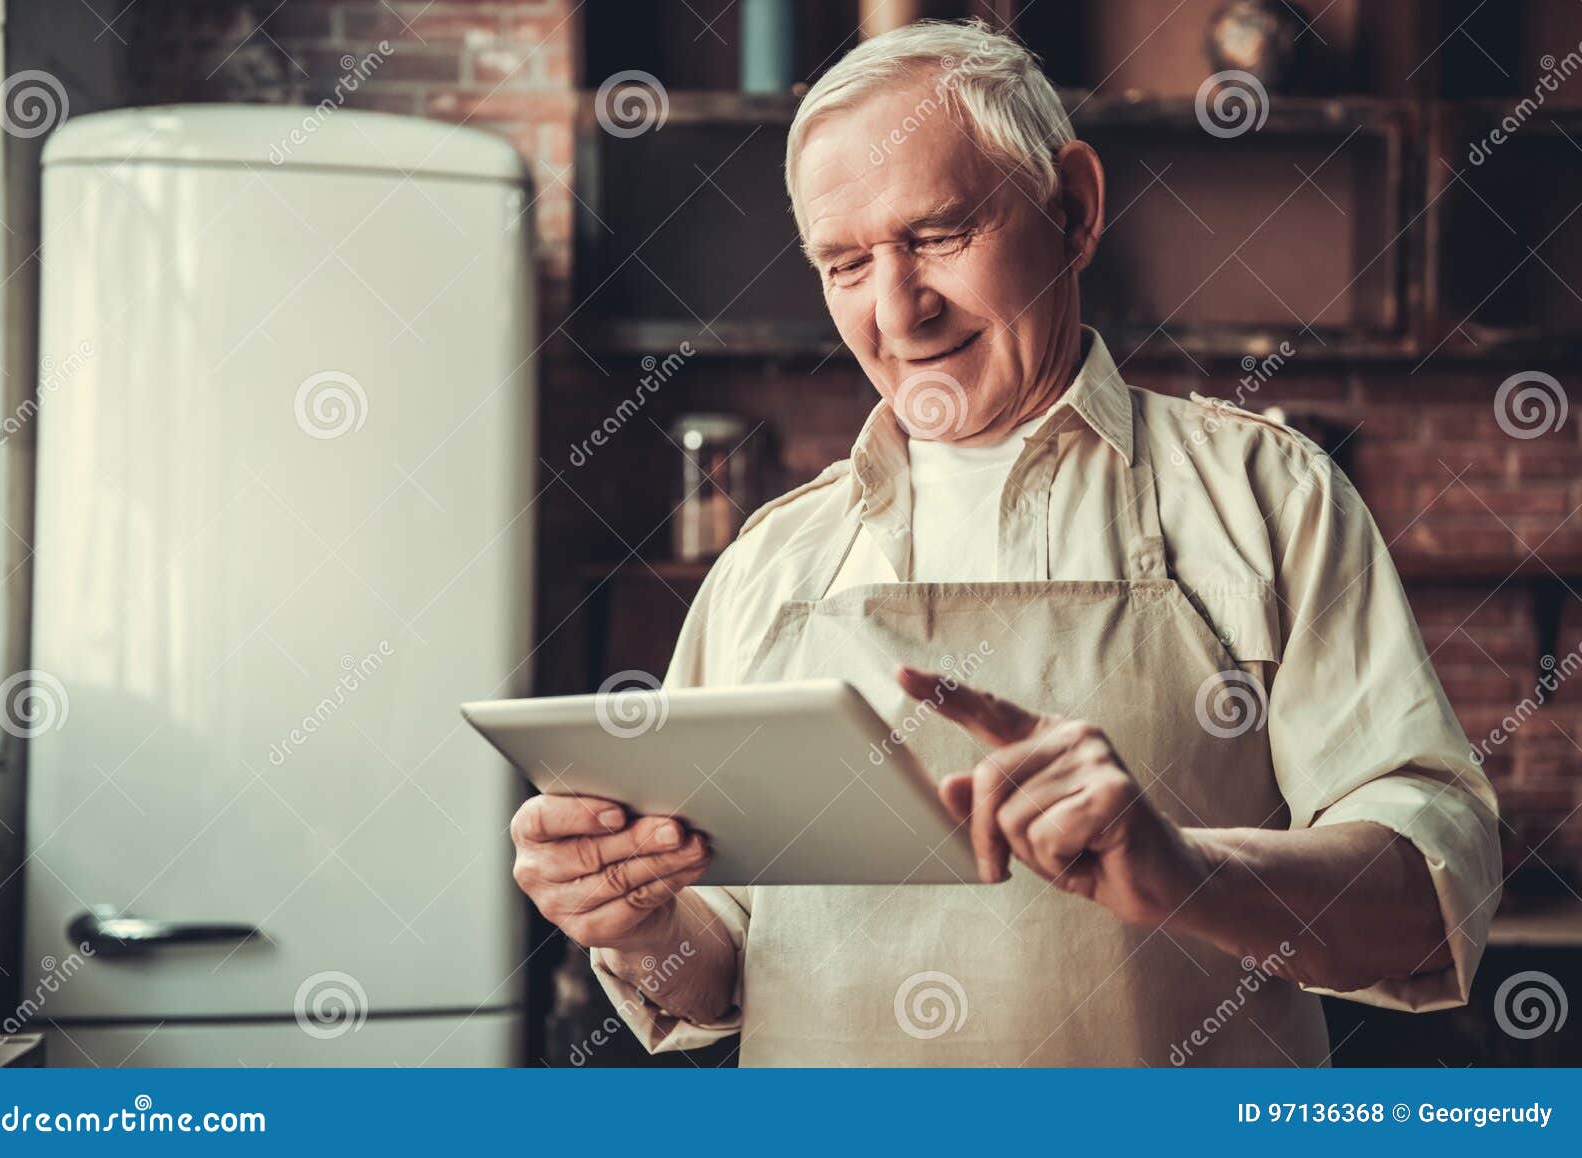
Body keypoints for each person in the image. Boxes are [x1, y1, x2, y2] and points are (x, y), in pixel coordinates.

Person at [510, 19, 1501, 1065]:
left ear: (1072, 209)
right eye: (846, 263)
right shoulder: (769, 563)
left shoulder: (1268, 496)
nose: (899, 312)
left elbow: (1420, 899)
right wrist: (635, 919)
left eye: (936, 235)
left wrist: (1188, 874)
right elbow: (721, 975)